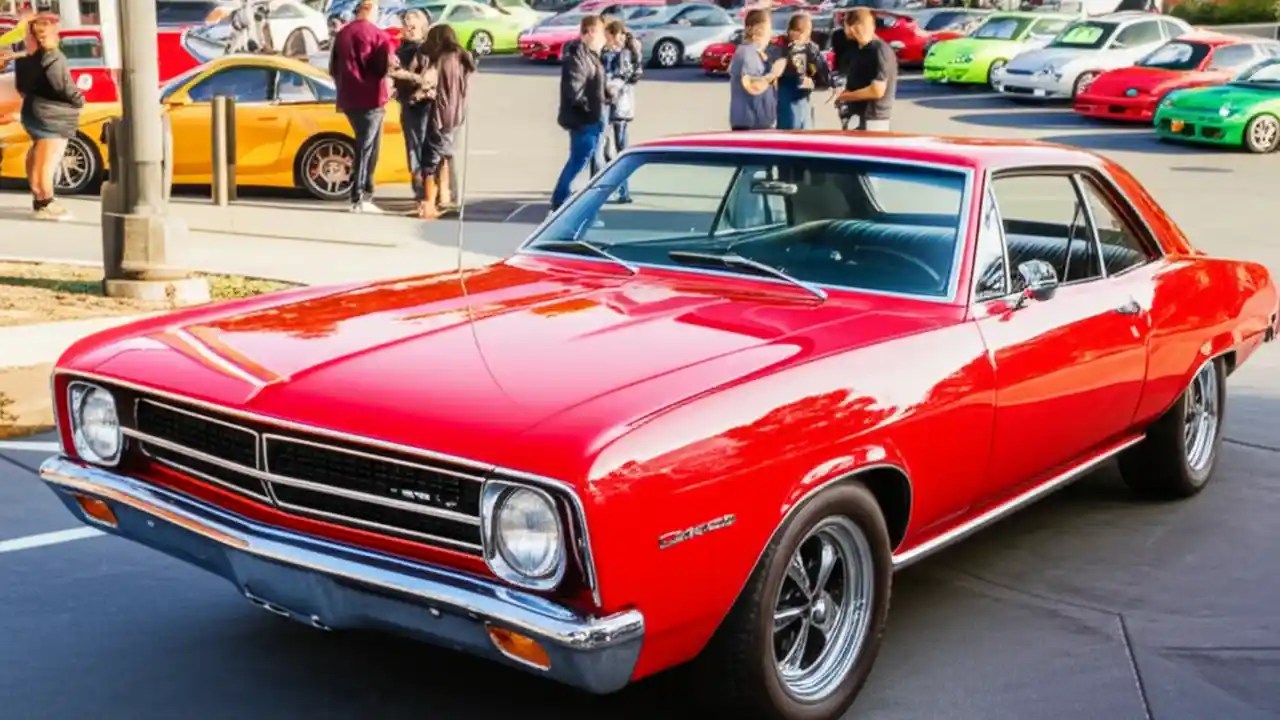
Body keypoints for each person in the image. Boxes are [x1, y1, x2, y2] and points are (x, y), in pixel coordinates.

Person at [13, 13, 83, 221]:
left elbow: (21, 87)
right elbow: (62, 86)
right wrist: (79, 99)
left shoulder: (26, 58)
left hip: (32, 110)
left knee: (37, 155)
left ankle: (38, 197)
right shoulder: (54, 57)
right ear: (52, 32)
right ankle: (47, 202)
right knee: (48, 160)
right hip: (53, 114)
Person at [329, 0, 393, 212]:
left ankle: (362, 195)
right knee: (368, 147)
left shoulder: (342, 35)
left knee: (363, 143)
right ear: (371, 11)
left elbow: (333, 66)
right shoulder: (378, 35)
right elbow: (381, 67)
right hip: (371, 98)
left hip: (348, 97)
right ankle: (361, 195)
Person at [550, 14, 608, 212]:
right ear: (590, 33)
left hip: (593, 117)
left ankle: (568, 198)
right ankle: (560, 199)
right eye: (601, 34)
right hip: (584, 120)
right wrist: (590, 111)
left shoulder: (591, 56)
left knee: (585, 159)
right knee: (579, 161)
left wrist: (607, 96)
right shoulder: (577, 57)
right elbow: (575, 90)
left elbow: (595, 86)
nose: (604, 40)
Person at [420, 24, 474, 218]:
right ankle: (446, 197)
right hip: (456, 114)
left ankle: (429, 203)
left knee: (430, 158)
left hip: (443, 115)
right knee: (445, 155)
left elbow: (441, 91)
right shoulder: (461, 58)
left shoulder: (445, 60)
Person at [388, 9, 436, 217]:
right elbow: (393, 75)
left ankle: (430, 196)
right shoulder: (400, 51)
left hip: (427, 106)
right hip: (409, 106)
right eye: (406, 23)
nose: (408, 27)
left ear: (422, 27)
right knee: (413, 152)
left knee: (429, 152)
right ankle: (420, 195)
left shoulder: (428, 50)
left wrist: (406, 76)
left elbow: (429, 79)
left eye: (412, 24)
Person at [595, 17, 641, 202]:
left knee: (609, 148)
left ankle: (615, 189)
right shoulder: (622, 52)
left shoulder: (616, 54)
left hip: (614, 105)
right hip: (620, 106)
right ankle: (621, 190)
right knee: (615, 148)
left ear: (611, 35)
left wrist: (609, 89)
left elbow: (616, 78)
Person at [833, 7, 897, 131]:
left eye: (846, 25)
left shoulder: (879, 50)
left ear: (854, 27)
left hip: (873, 120)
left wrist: (845, 96)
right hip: (857, 117)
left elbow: (877, 90)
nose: (846, 31)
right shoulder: (860, 49)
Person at [728, 9, 787, 131]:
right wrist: (773, 74)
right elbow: (752, 86)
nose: (770, 34)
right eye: (768, 28)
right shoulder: (747, 53)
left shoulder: (757, 52)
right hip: (750, 125)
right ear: (758, 29)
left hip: (760, 124)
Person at [773, 12, 830, 130]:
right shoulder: (780, 46)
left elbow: (824, 77)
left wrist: (813, 81)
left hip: (804, 99)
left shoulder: (812, 49)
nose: (797, 35)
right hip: (786, 98)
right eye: (794, 30)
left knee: (805, 130)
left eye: (802, 31)